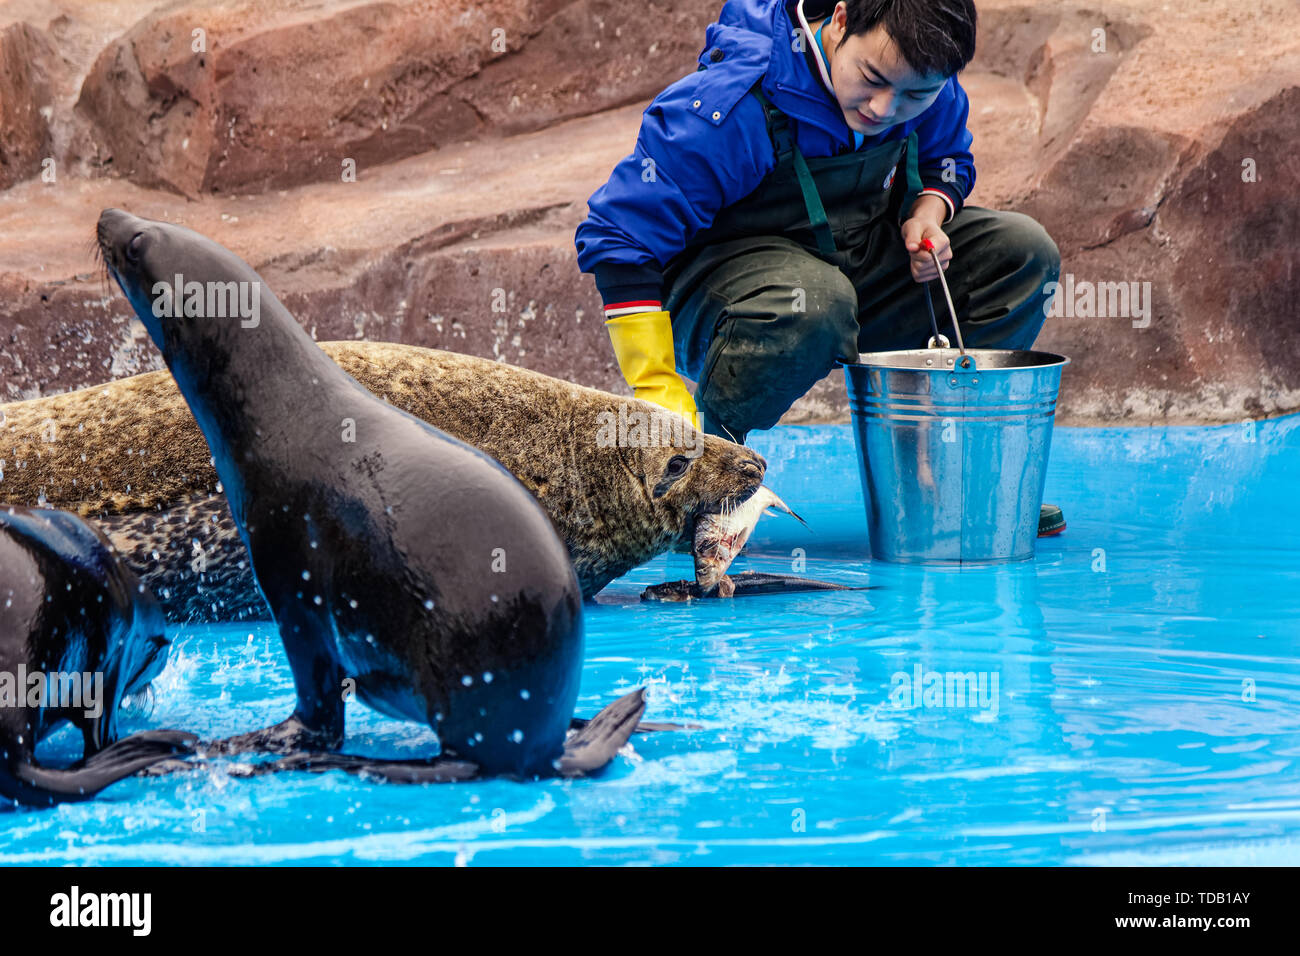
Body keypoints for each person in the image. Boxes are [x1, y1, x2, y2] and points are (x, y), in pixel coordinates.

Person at [575, 0, 1066, 535]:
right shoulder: (735, 106)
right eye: (871, 78)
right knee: (814, 303)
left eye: (914, 95)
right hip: (727, 300)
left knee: (1022, 253)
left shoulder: (925, 76)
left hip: (856, 273)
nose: (883, 107)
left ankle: (946, 478)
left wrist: (928, 213)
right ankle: (698, 484)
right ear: (838, 21)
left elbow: (948, 160)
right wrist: (656, 389)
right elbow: (619, 235)